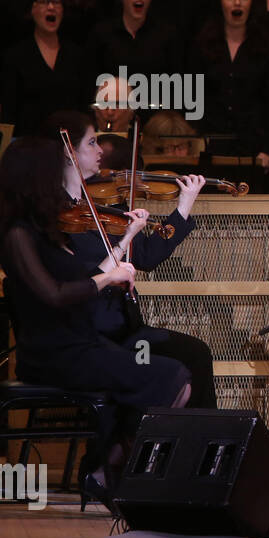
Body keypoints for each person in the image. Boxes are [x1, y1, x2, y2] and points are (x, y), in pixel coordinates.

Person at [0, 136, 191, 507]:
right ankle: (112, 471)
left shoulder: (47, 230)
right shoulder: (19, 234)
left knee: (168, 373)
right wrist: (107, 279)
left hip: (79, 342)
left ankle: (111, 470)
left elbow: (85, 280)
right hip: (54, 353)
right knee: (171, 377)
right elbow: (57, 294)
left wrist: (125, 240)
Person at [46, 109, 216, 412]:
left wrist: (183, 207)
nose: (101, 151)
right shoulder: (54, 214)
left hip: (123, 325)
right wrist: (121, 250)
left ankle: (199, 451)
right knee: (168, 372)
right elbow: (77, 281)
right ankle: (139, 449)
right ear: (69, 152)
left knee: (196, 352)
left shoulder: (105, 204)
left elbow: (148, 256)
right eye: (92, 143)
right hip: (94, 329)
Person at [188, 0, 269, 184]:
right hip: (210, 148)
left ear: (252, 2)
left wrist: (268, 150)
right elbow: (192, 98)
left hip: (254, 149)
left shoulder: (268, 46)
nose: (237, 3)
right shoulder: (201, 45)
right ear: (219, 1)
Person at [0, 0, 93, 136]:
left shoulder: (77, 55)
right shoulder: (16, 56)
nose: (51, 7)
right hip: (29, 142)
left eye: (56, 2)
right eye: (43, 2)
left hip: (69, 143)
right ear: (32, 9)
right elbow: (9, 111)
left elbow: (84, 105)